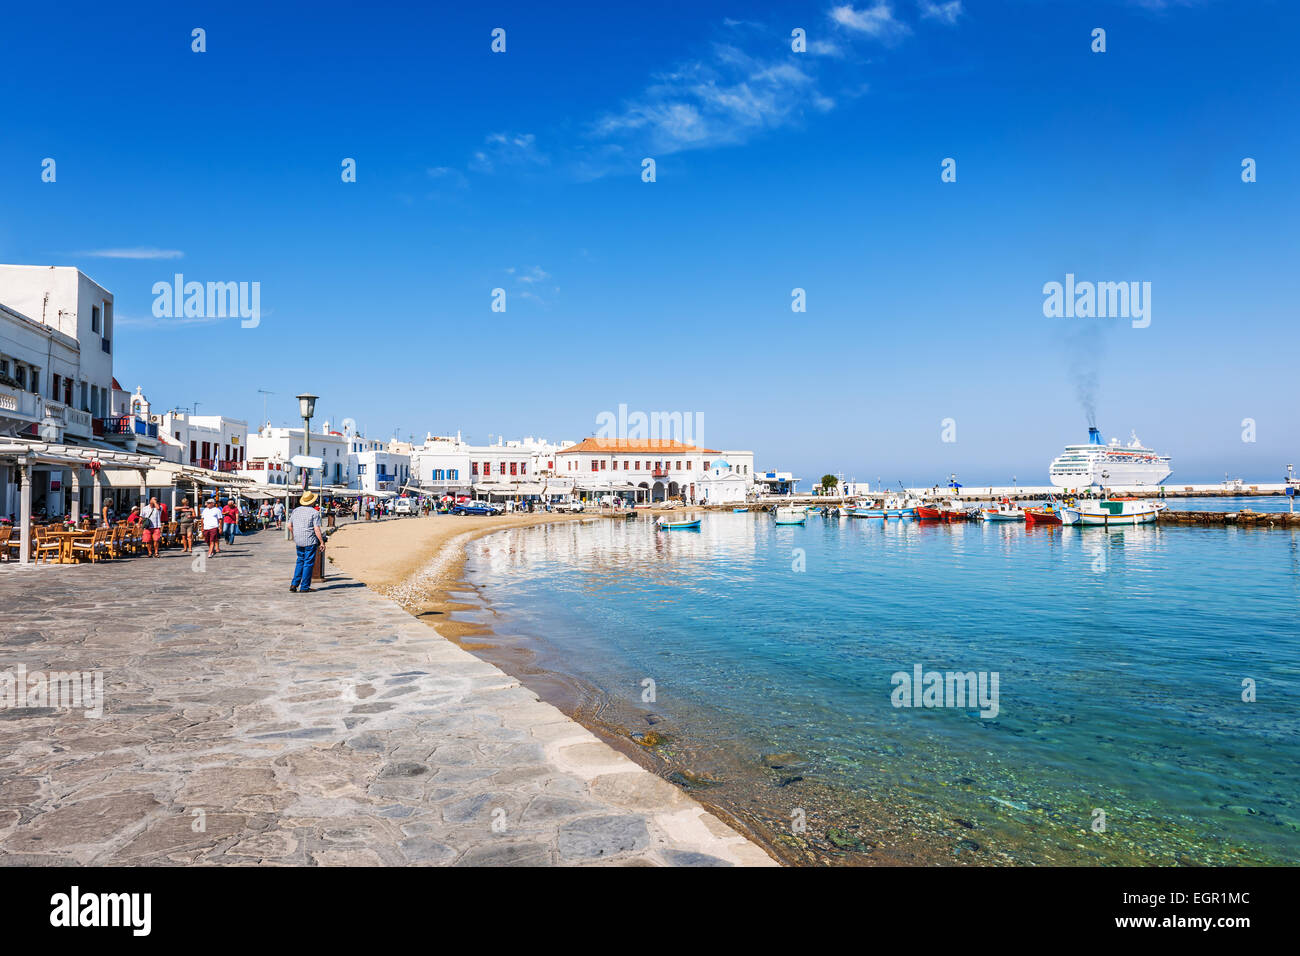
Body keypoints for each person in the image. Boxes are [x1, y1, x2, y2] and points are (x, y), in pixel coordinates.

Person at [288, 490, 325, 593]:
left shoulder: (296, 511)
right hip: (309, 540)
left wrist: (294, 535)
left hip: (299, 540)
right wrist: (321, 542)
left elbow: (289, 526)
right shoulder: (314, 512)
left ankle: (294, 584)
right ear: (312, 501)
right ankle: (304, 587)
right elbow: (316, 529)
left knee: (300, 561)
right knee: (308, 563)